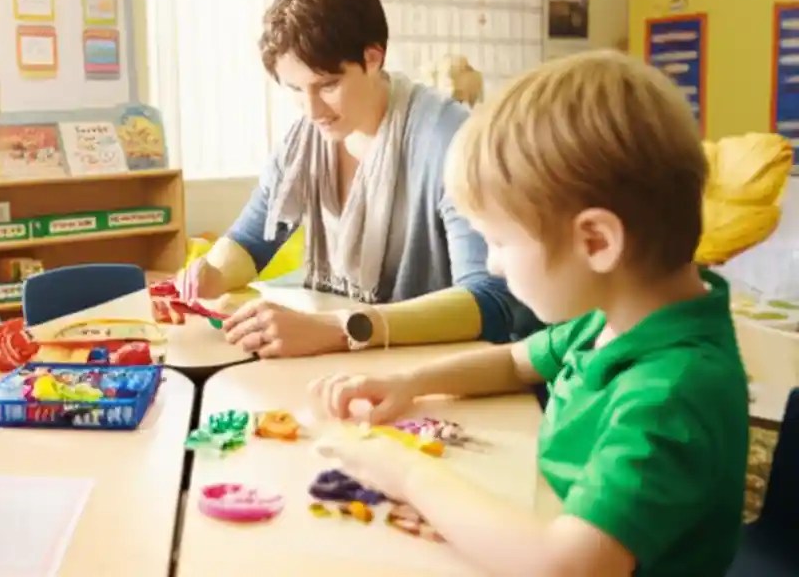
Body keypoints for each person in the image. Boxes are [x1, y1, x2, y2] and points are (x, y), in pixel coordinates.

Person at [313, 51, 748, 576]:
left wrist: (409, 478)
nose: (491, 266)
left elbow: (563, 566)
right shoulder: (612, 318)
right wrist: (409, 381)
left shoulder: (672, 394)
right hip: (550, 516)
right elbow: (515, 362)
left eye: (498, 241)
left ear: (595, 240)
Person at [179, 0, 529, 357]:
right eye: (295, 89)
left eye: (328, 85)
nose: (311, 110)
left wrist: (335, 329)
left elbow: (493, 301)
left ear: (373, 57)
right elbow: (250, 243)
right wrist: (209, 275)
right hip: (355, 362)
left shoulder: (450, 140)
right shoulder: (303, 143)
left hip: (442, 368)